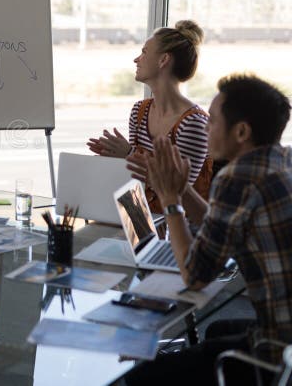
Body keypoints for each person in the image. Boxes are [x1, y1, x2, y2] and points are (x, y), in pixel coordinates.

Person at [122, 74, 292, 386]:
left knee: (139, 378)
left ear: (241, 131)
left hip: (277, 349)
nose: (206, 127)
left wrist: (170, 199)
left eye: (212, 121)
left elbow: (194, 275)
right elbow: (220, 220)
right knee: (215, 331)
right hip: (284, 331)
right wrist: (183, 187)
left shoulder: (238, 178)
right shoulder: (282, 160)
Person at [88, 20, 210, 219]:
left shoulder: (193, 124)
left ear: (163, 60)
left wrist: (128, 154)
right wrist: (115, 161)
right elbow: (137, 182)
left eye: (144, 52)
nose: (137, 59)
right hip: (143, 221)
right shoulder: (140, 111)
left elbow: (179, 193)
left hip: (180, 230)